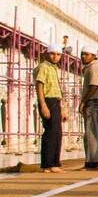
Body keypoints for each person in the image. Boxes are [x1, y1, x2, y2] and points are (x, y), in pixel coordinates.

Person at [34, 45, 64, 173]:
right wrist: (43, 105)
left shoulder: (54, 68)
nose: (55, 57)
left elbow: (57, 90)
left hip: (55, 101)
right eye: (52, 54)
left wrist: (61, 107)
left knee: (56, 132)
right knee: (51, 132)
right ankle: (49, 164)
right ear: (47, 54)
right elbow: (39, 86)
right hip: (48, 100)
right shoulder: (44, 67)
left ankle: (52, 163)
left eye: (58, 54)